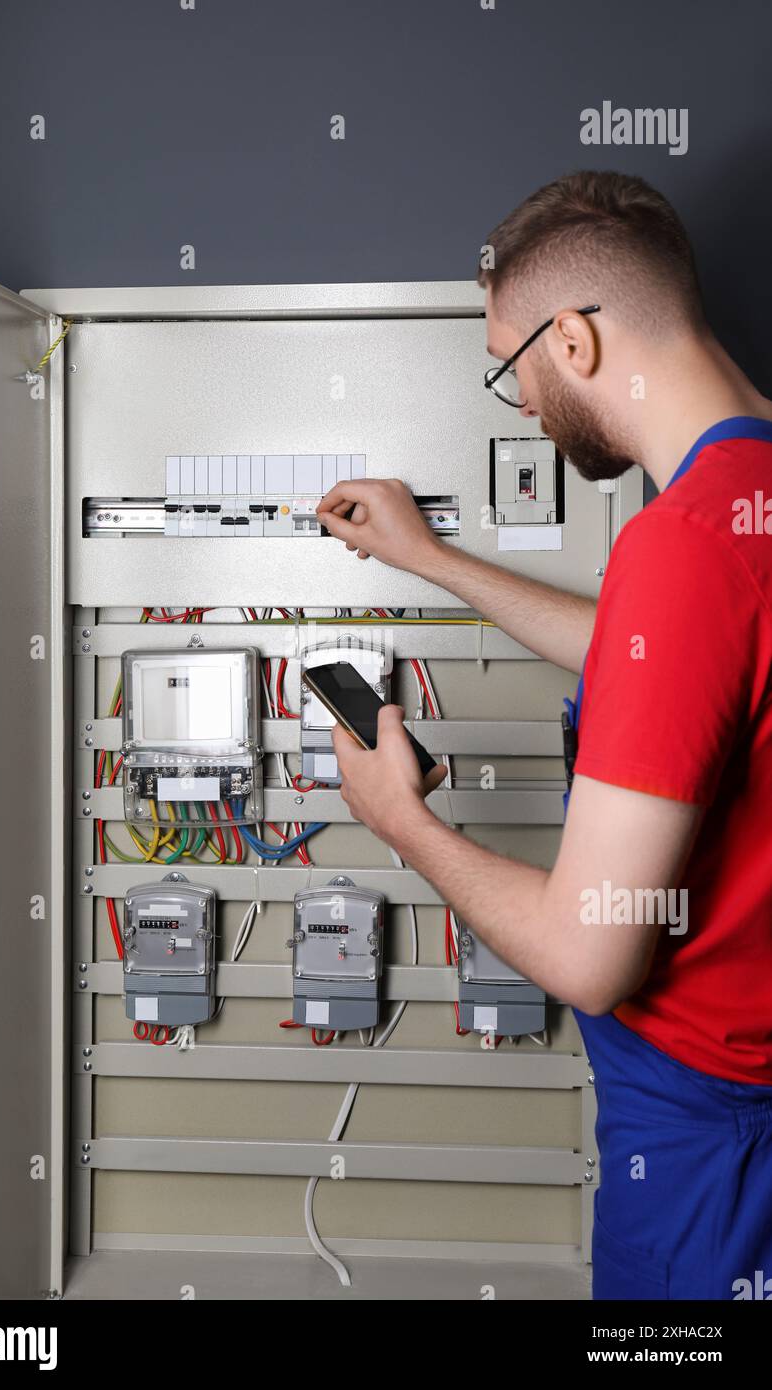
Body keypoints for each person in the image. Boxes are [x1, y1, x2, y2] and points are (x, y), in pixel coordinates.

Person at [315, 170, 772, 1301]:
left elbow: (585, 954)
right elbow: (673, 661)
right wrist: (431, 559)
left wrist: (398, 819)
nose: (518, 403)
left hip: (709, 1150)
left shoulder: (679, 548)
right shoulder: (744, 501)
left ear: (569, 339)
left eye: (508, 363)